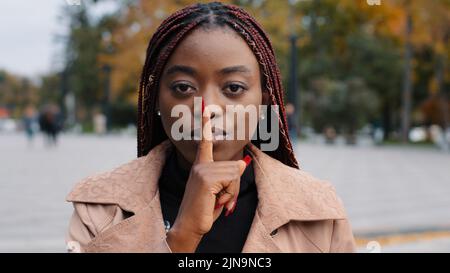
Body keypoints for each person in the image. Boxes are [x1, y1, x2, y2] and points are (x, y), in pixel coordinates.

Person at [65, 2, 356, 253]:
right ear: (156, 99)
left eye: (233, 87)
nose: (207, 109)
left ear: (263, 101)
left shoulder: (319, 210)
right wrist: (182, 236)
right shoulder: (100, 208)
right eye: (183, 87)